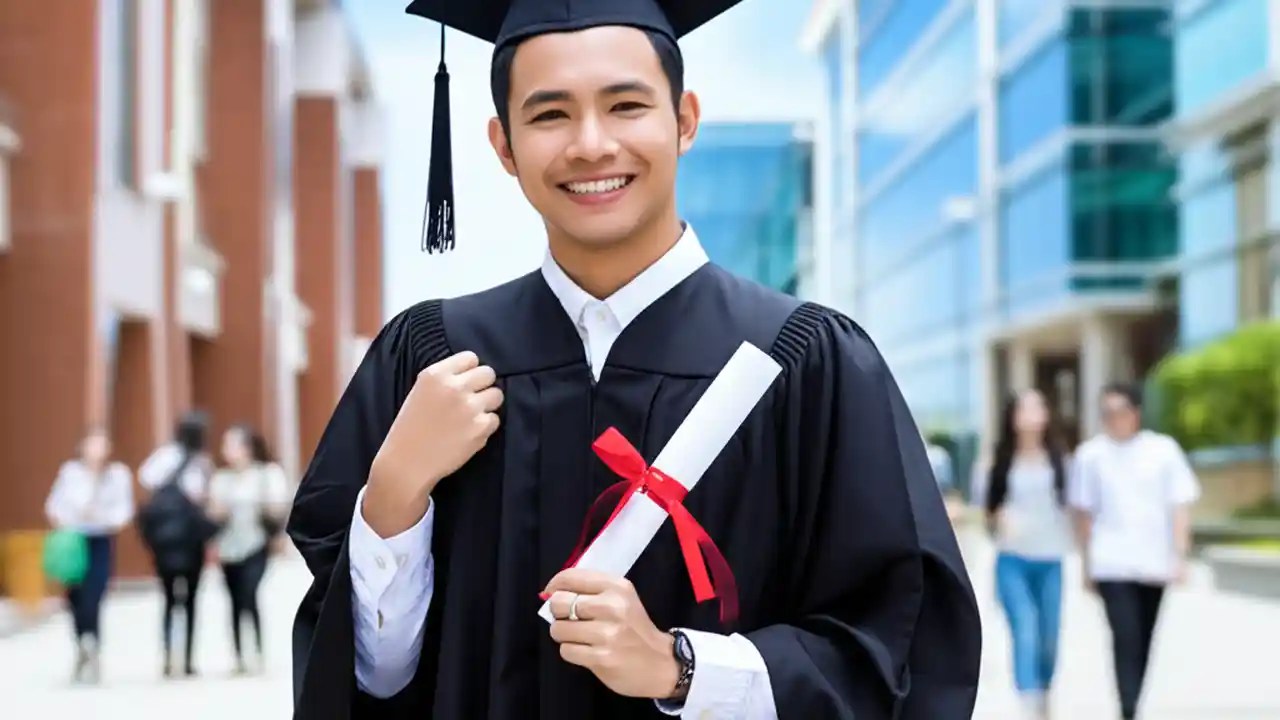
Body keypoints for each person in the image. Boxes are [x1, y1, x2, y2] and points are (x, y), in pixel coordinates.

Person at [286, 0, 982, 718]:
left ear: (684, 120)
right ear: (503, 145)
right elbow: (370, 680)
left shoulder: (806, 365)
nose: (591, 144)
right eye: (550, 115)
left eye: (625, 106)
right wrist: (396, 496)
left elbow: (897, 651)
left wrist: (681, 667)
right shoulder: (428, 360)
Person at [1069, 382, 1200, 720]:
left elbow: (1179, 507)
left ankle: (1133, 702)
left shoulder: (1163, 450)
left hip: (1155, 562)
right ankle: (1127, 708)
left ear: (1136, 413)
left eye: (1119, 411)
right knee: (1125, 637)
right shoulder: (1090, 455)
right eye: (1106, 413)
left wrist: (1180, 556)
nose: (1113, 419)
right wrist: (1086, 565)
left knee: (1143, 638)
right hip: (1111, 563)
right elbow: (1083, 513)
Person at [983, 389, 1073, 719]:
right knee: (1026, 629)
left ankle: (1044, 696)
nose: (1032, 414)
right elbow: (988, 513)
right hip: (1013, 560)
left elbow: (1073, 507)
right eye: (1024, 408)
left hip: (1051, 559)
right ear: (1012, 417)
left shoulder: (1060, 459)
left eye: (1038, 406)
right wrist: (999, 519)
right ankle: (1030, 707)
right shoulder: (1000, 460)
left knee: (1049, 637)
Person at [44, 427, 135, 684]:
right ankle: (81, 644)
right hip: (74, 539)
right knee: (74, 595)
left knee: (95, 593)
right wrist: (67, 519)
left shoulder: (117, 475)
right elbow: (54, 504)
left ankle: (92, 644)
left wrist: (104, 518)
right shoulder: (71, 473)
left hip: (100, 538)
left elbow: (124, 510)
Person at [138, 411, 218, 678]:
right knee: (191, 600)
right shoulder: (200, 463)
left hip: (166, 540)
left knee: (170, 599)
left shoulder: (165, 457)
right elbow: (204, 497)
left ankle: (168, 657)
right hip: (190, 538)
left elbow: (145, 478)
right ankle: (186, 660)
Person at [208, 424, 291, 675]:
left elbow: (279, 507)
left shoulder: (267, 474)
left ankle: (257, 650)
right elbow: (213, 512)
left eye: (233, 445)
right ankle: (238, 656)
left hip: (257, 543)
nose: (228, 451)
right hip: (228, 546)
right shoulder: (221, 478)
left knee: (250, 593)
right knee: (233, 600)